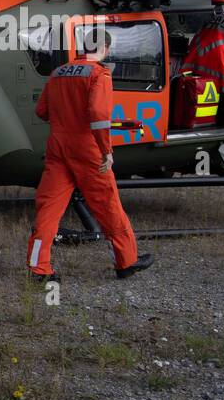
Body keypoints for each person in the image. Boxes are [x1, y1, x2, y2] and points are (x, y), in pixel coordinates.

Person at [26, 29, 153, 281]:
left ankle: (38, 268)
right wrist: (106, 151)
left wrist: (64, 120)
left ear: (84, 46)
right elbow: (97, 115)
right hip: (88, 150)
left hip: (58, 147)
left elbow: (41, 111)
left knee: (49, 209)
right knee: (107, 204)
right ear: (105, 48)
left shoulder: (58, 73)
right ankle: (126, 261)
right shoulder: (99, 74)